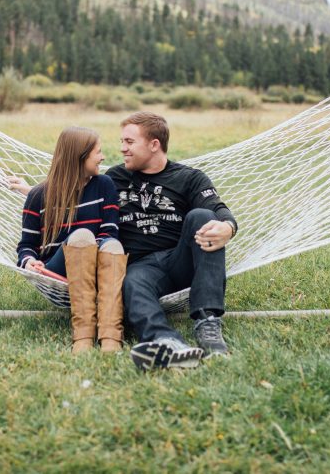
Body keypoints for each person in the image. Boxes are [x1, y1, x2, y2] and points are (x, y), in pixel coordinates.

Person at [110, 111, 237, 371]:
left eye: (129, 142)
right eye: (122, 142)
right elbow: (72, 197)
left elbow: (218, 208)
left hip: (180, 259)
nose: (122, 149)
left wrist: (228, 227)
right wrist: (29, 191)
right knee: (133, 283)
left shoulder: (189, 178)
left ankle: (208, 322)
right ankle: (167, 342)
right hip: (141, 266)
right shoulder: (114, 178)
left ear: (154, 144)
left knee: (203, 216)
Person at [15, 127, 126, 353]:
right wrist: (29, 262)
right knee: (83, 235)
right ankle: (83, 335)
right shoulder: (37, 196)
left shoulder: (104, 185)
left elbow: (109, 233)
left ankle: (111, 336)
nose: (103, 157)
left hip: (99, 265)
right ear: (80, 156)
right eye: (98, 152)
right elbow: (27, 246)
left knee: (113, 244)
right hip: (59, 271)